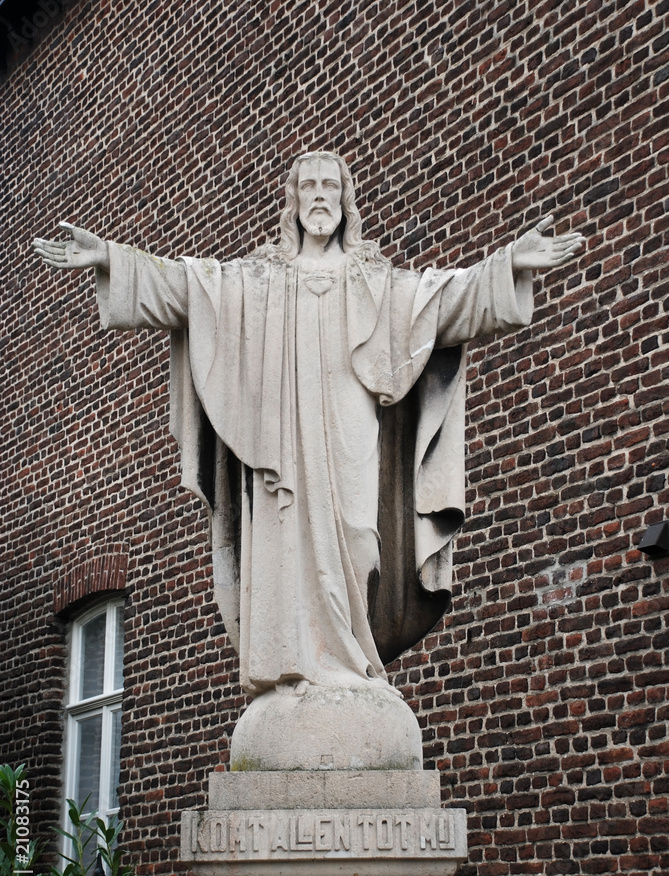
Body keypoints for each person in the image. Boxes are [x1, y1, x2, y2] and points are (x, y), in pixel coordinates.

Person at [33, 151, 584, 698]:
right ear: (293, 202)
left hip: (351, 436)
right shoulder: (260, 278)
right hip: (283, 441)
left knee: (361, 540)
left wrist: (510, 264)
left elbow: (443, 303)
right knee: (284, 551)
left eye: (331, 186)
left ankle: (353, 661)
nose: (320, 196)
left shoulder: (374, 278)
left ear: (346, 201)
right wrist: (110, 258)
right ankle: (294, 669)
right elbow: (187, 289)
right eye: (309, 186)